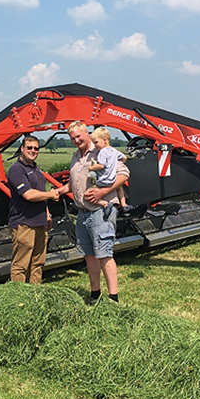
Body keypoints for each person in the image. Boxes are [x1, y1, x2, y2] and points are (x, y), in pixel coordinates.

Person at [56, 121, 128, 304]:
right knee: (89, 254)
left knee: (104, 254)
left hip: (100, 211)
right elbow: (74, 182)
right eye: (72, 138)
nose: (76, 140)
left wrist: (102, 192)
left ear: (87, 133)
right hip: (82, 213)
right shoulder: (76, 156)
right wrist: (58, 191)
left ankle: (113, 299)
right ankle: (95, 294)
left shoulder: (102, 151)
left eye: (78, 136)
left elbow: (124, 174)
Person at [7, 135, 59, 283]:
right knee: (21, 264)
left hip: (40, 222)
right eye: (29, 147)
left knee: (38, 262)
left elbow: (40, 192)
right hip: (24, 223)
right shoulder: (17, 170)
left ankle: (35, 291)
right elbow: (28, 195)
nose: (33, 151)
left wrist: (47, 214)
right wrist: (51, 194)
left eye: (36, 148)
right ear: (22, 149)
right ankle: (19, 293)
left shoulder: (36, 169)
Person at [88, 126, 128, 218]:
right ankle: (124, 204)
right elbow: (124, 158)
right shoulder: (114, 150)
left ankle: (105, 204)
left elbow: (101, 166)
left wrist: (90, 168)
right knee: (119, 187)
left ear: (105, 140)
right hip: (113, 179)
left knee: (87, 195)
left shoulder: (102, 152)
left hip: (104, 181)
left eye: (96, 142)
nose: (95, 145)